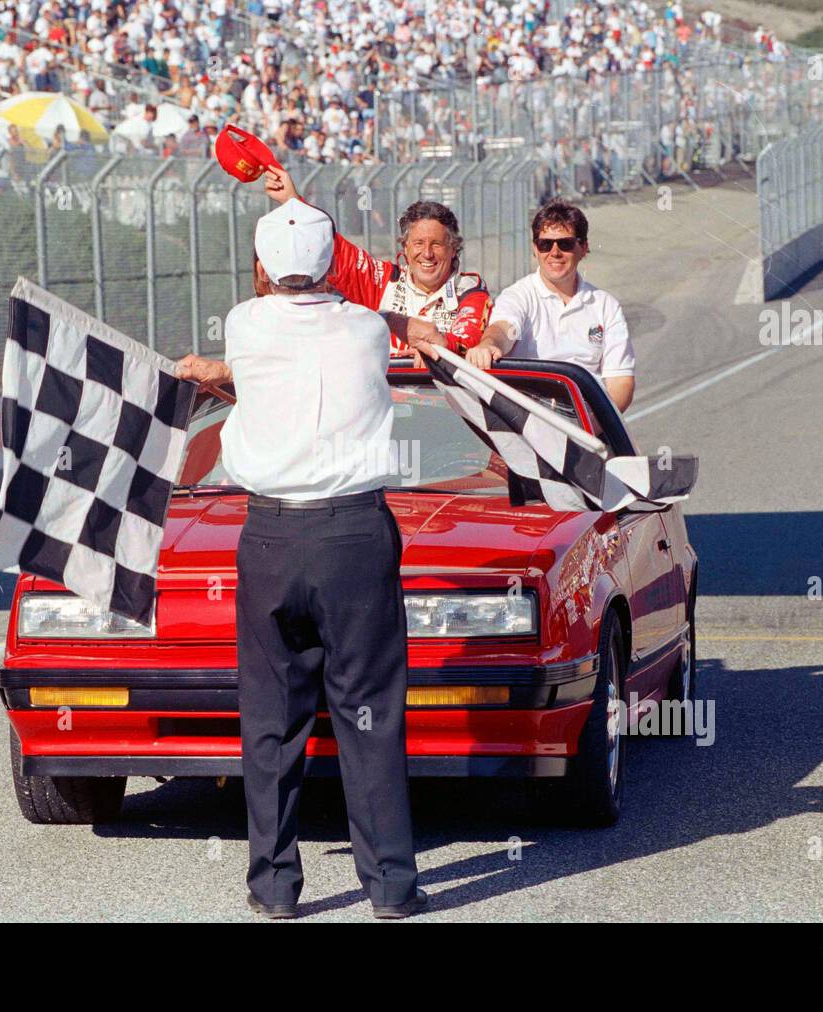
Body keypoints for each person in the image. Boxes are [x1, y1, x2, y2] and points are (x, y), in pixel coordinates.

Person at [175, 199, 426, 921]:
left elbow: (264, 356)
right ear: (330, 265)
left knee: (271, 716)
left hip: (272, 537)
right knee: (370, 713)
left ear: (261, 269)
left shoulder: (246, 326)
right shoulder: (370, 330)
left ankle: (276, 887)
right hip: (355, 534)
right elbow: (357, 293)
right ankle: (391, 887)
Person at [264, 164, 491, 355]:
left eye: (437, 245)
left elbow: (466, 341)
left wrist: (438, 350)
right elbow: (335, 249)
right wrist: (293, 201)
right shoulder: (383, 281)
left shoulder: (469, 289)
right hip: (386, 400)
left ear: (454, 248)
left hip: (442, 402)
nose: (427, 254)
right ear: (405, 247)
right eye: (419, 244)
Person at [466, 201, 636, 412]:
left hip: (589, 425)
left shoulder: (605, 306)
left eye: (565, 244)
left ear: (583, 248)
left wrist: (589, 428)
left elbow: (620, 382)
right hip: (529, 425)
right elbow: (503, 329)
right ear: (535, 249)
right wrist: (489, 345)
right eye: (545, 244)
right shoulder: (518, 296)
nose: (555, 252)